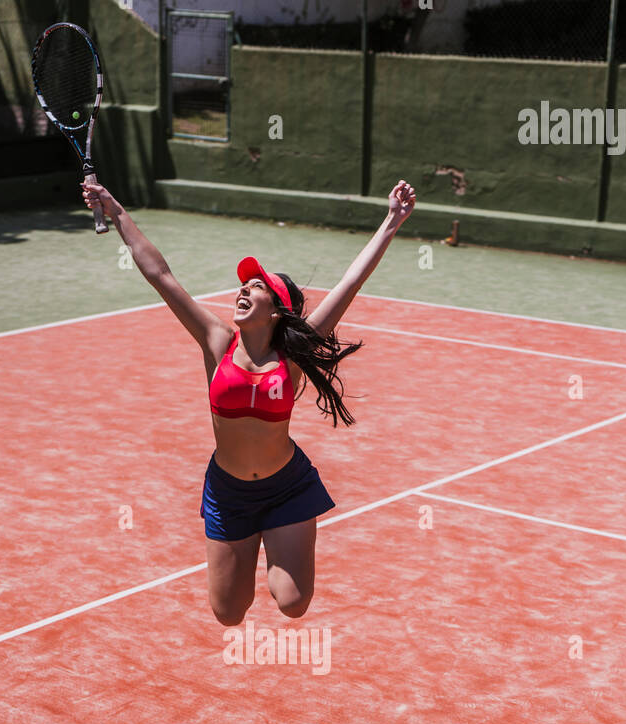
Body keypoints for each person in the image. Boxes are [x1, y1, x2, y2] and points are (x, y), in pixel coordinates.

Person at [81, 177, 415, 624]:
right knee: (228, 613)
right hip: (228, 491)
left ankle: (278, 531)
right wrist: (114, 208)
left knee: (292, 602)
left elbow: (351, 282)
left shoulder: (293, 355)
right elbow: (161, 275)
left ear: (277, 309)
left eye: (255, 287)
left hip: (286, 486)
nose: (242, 290)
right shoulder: (216, 341)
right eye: (242, 285)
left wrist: (392, 220)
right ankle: (257, 536)